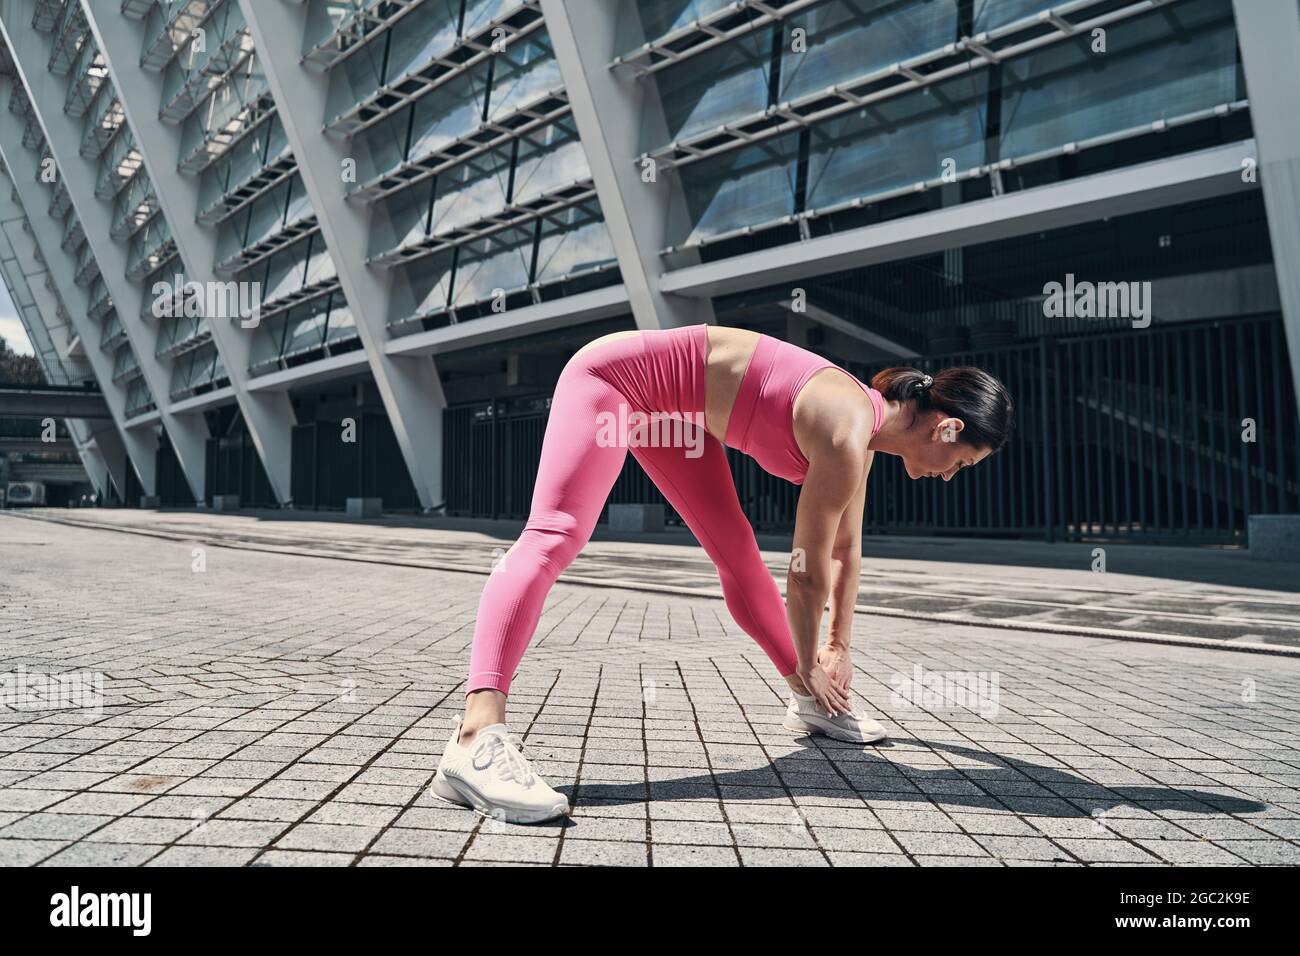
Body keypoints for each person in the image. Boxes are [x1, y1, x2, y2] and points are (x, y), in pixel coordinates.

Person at [433, 323, 1013, 823]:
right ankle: (474, 738)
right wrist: (813, 658)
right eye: (961, 465)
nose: (949, 476)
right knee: (556, 534)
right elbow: (807, 571)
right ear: (947, 429)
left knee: (737, 553)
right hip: (613, 380)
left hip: (677, 417)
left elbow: (843, 549)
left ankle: (808, 701)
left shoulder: (860, 440)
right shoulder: (845, 427)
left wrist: (837, 646)